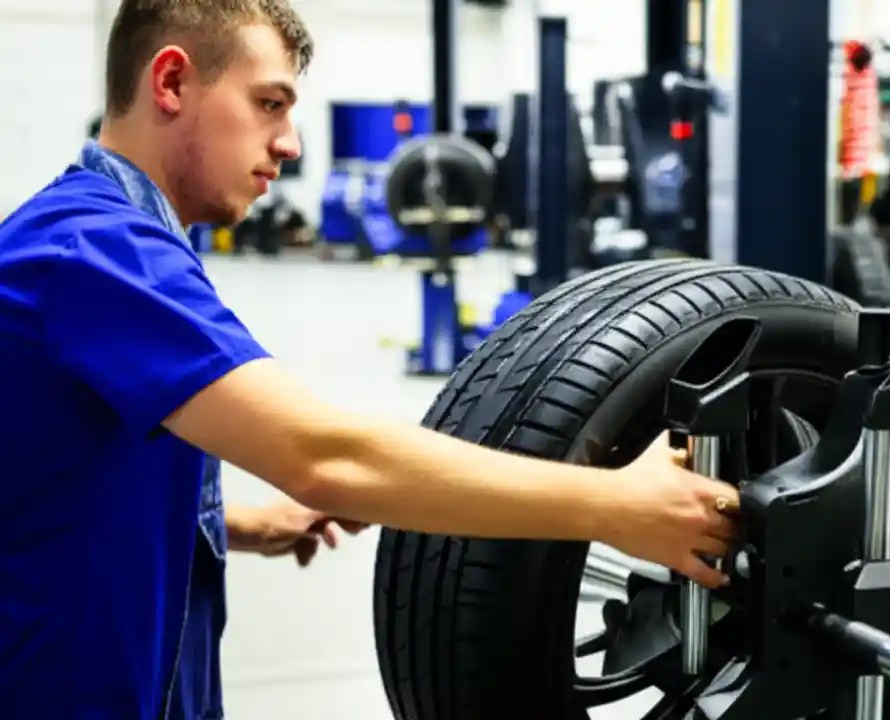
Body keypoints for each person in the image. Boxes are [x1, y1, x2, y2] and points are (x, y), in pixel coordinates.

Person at [0, 1, 740, 717]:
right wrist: (623, 506)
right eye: (269, 103)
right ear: (169, 82)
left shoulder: (99, 240)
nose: (289, 142)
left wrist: (237, 524)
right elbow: (322, 456)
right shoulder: (97, 253)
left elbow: (49, 479)